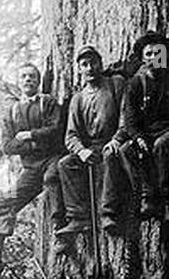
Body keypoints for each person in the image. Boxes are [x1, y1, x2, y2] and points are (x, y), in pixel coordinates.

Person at [0, 63, 64, 276]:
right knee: (4, 202)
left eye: (32, 76)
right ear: (19, 81)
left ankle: (61, 233)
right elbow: (8, 146)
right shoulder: (12, 112)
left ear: (38, 80)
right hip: (31, 169)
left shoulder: (48, 103)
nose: (28, 80)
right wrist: (35, 143)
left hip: (52, 159)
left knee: (53, 179)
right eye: (23, 76)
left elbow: (57, 130)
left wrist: (29, 135)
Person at [56, 46, 131, 254]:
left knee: (110, 156)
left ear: (101, 63)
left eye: (93, 63)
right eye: (85, 65)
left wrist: (118, 138)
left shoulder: (116, 84)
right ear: (79, 69)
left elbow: (126, 116)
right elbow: (70, 135)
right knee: (65, 164)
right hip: (90, 148)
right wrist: (81, 151)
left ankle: (108, 213)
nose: (90, 68)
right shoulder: (78, 99)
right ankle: (79, 217)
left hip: (113, 141)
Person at [119, 31, 169, 224]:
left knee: (162, 145)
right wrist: (138, 137)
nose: (154, 58)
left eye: (158, 53)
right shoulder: (135, 84)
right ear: (142, 59)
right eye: (148, 54)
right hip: (146, 133)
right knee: (126, 150)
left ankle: (168, 199)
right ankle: (147, 194)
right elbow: (130, 118)